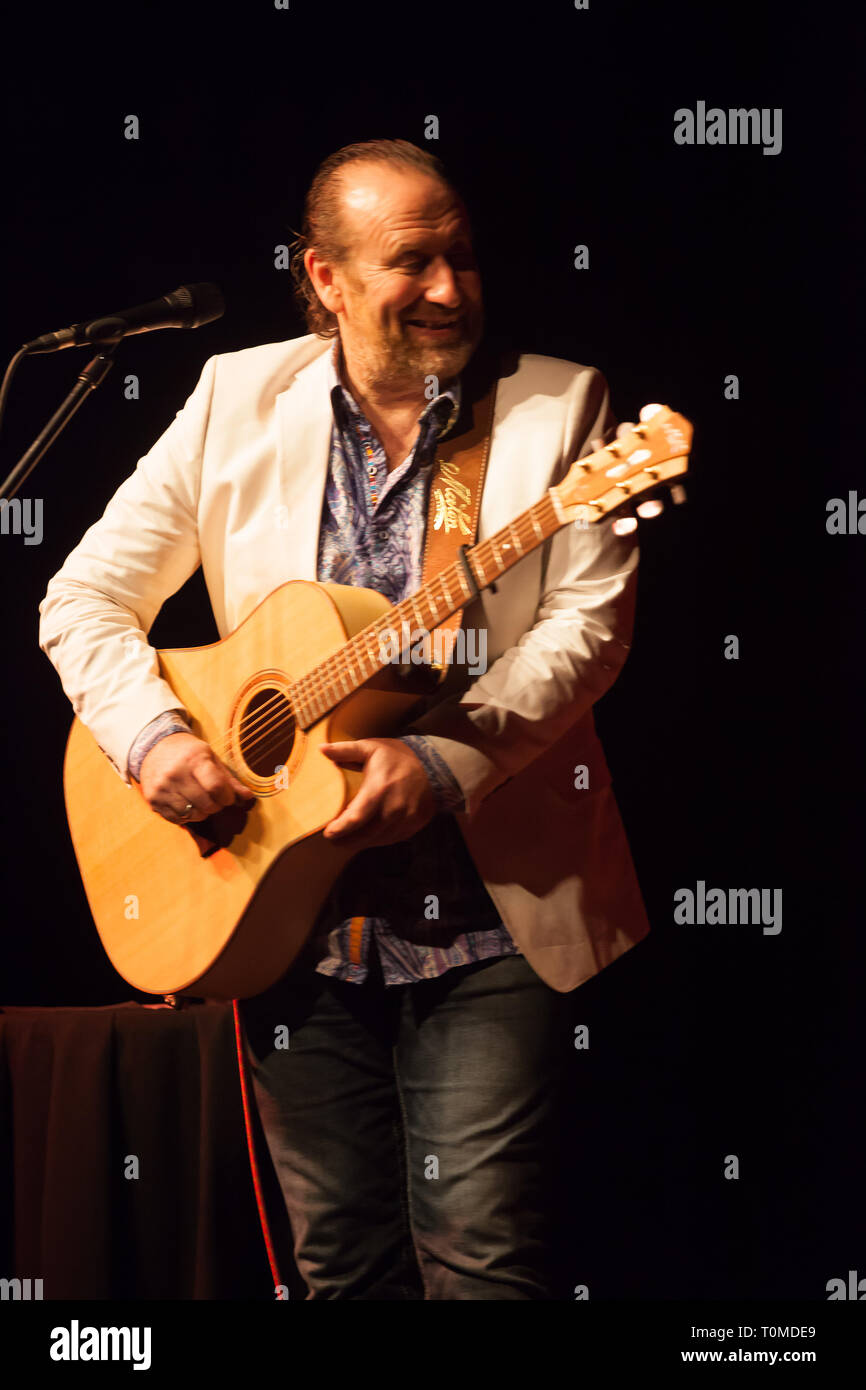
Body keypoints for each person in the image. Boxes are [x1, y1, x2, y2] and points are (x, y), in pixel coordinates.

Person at [39, 138, 650, 1300]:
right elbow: (84, 596)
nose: (445, 288)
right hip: (281, 922)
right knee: (339, 1271)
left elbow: (585, 633)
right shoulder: (235, 397)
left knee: (482, 1267)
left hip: (486, 920)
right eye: (408, 263)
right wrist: (153, 737)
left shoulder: (556, 407)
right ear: (322, 276)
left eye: (460, 257)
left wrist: (446, 757)